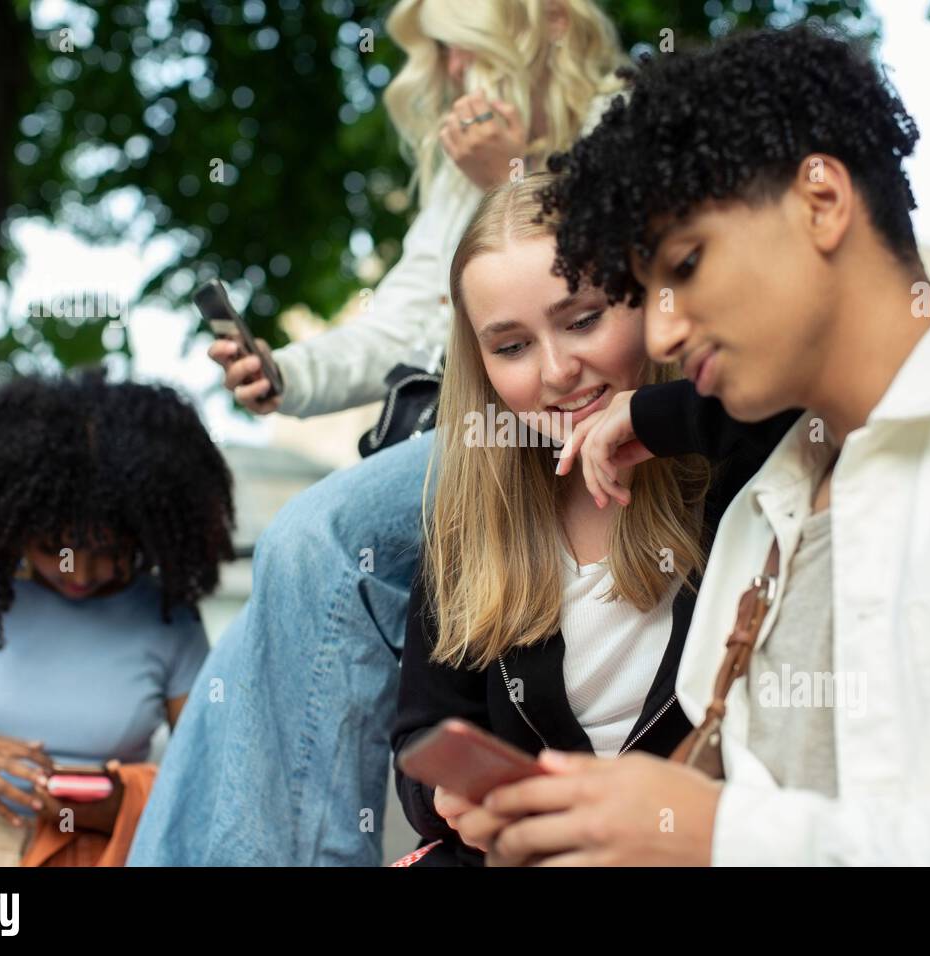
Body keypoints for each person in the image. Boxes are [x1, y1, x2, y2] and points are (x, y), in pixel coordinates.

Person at [480, 23, 930, 866]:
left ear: (822, 201)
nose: (663, 323)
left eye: (685, 265)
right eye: (646, 290)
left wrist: (723, 836)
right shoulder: (761, 521)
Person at [130, 0, 629, 866]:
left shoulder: (623, 121)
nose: (454, 76)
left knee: (316, 538)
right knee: (242, 662)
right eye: (440, 58)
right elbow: (403, 318)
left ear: (550, 23)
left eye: (466, 50)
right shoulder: (449, 172)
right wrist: (286, 373)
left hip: (524, 416)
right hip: (457, 421)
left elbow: (604, 282)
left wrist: (511, 172)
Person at [389, 173, 793, 865]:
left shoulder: (737, 482)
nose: (556, 370)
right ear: (480, 366)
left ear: (647, 306)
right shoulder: (469, 525)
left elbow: (788, 405)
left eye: (582, 321)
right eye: (510, 346)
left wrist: (652, 417)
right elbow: (423, 730)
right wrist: (448, 804)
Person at [0, 371, 233, 866]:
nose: (79, 573)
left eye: (107, 552)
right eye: (52, 548)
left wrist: (111, 805)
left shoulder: (167, 618)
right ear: (12, 524)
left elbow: (211, 781)